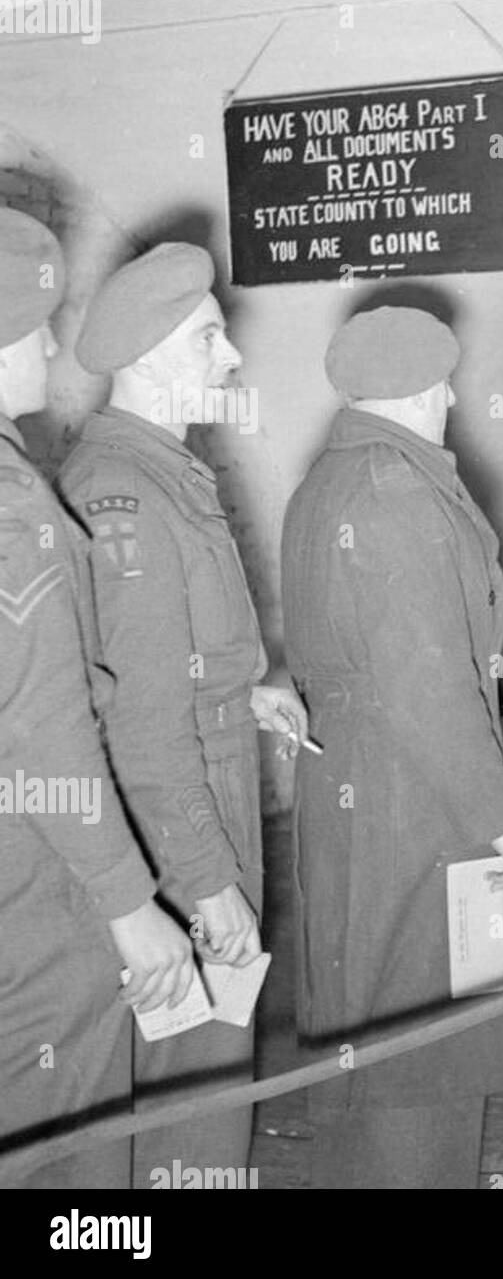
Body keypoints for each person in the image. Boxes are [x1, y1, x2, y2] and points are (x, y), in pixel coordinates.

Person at [57, 242, 306, 1185]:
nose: (232, 357)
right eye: (211, 339)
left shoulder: (160, 470)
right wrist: (207, 886)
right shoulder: (122, 493)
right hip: (176, 831)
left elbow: (155, 662)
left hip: (200, 796)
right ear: (152, 353)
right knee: (187, 1102)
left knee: (203, 1083)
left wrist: (243, 685)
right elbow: (143, 727)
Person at [281, 306, 503, 1189]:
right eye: (445, 384)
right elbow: (426, 682)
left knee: (364, 1037)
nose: (454, 397)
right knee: (427, 1050)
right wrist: (499, 818)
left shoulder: (328, 480)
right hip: (411, 801)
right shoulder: (395, 490)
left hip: (354, 785)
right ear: (420, 392)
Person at [0, 209, 194, 1188]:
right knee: (67, 1147)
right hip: (32, 886)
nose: (45, 341)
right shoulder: (14, 507)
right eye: (31, 322)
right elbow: (39, 729)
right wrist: (127, 905)